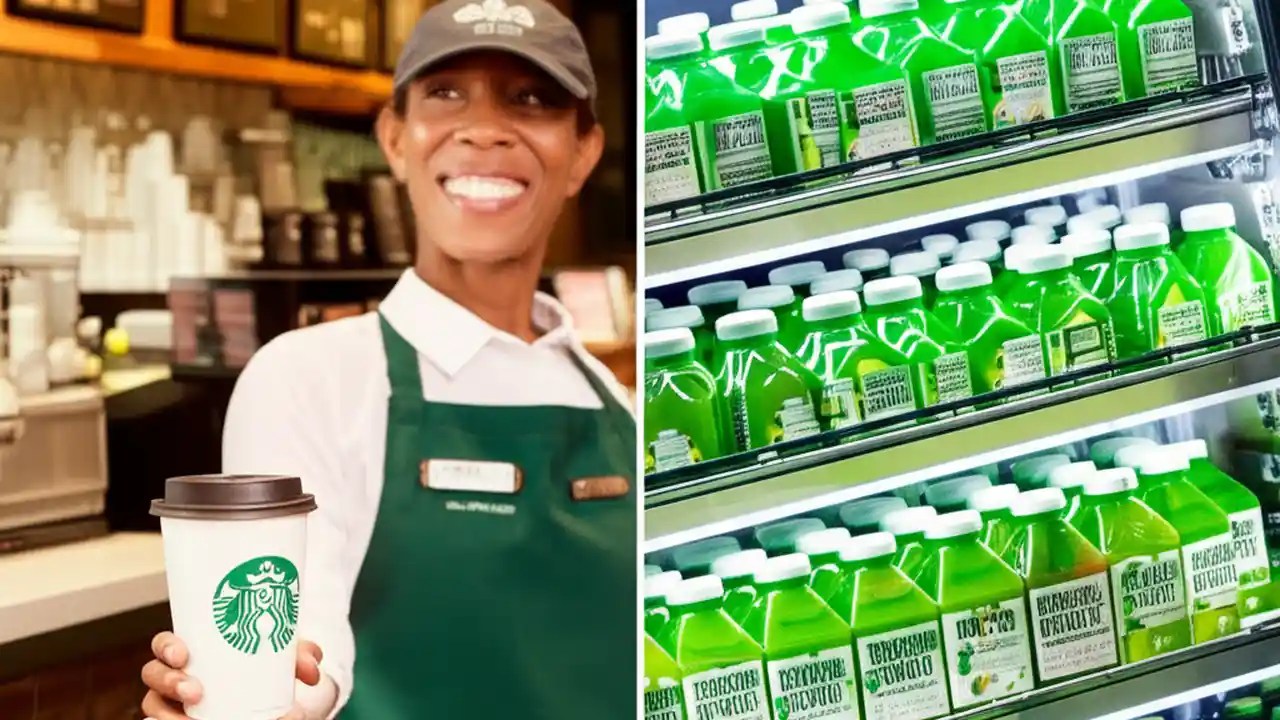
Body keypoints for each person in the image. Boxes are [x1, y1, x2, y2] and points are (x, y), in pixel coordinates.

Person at [140, 1, 636, 717]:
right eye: (446, 93)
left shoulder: (622, 405)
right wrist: (263, 694)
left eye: (531, 99)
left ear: (583, 152)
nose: (485, 128)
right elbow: (297, 631)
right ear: (396, 138)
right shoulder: (310, 379)